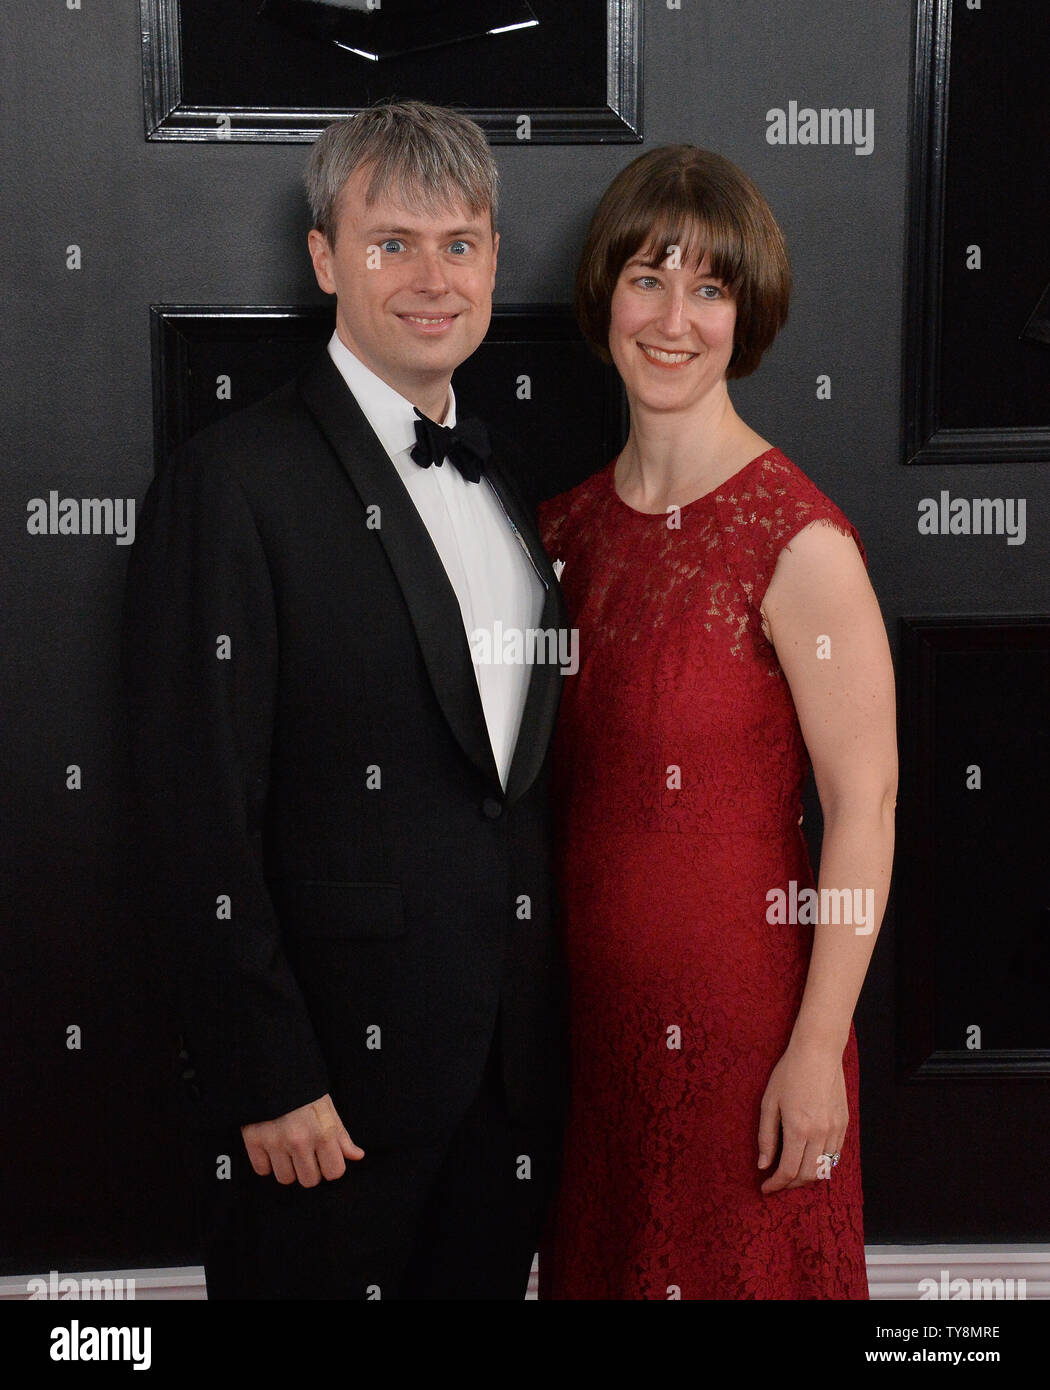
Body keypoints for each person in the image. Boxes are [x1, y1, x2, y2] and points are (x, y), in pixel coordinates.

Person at [120, 101, 568, 1300]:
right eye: (392, 242)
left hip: (506, 1092)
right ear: (325, 257)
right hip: (324, 1098)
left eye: (460, 244)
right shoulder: (232, 483)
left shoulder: (508, 485)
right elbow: (191, 806)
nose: (433, 278)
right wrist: (263, 1070)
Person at [536, 145, 897, 1300]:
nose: (674, 318)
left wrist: (815, 1050)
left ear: (749, 314)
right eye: (649, 277)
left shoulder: (801, 543)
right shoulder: (560, 531)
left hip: (753, 1034)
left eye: (711, 287)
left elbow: (864, 804)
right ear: (606, 298)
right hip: (593, 1037)